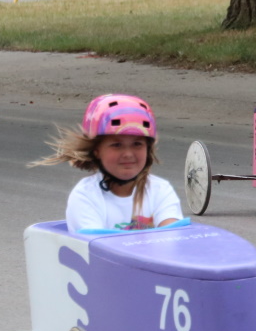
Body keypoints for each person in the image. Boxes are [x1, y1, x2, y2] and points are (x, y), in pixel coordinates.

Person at [31, 94, 183, 233]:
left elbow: (174, 237)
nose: (128, 154)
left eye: (137, 144)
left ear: (148, 148)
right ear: (97, 150)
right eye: (116, 145)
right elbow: (97, 247)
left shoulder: (160, 190)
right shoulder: (85, 195)